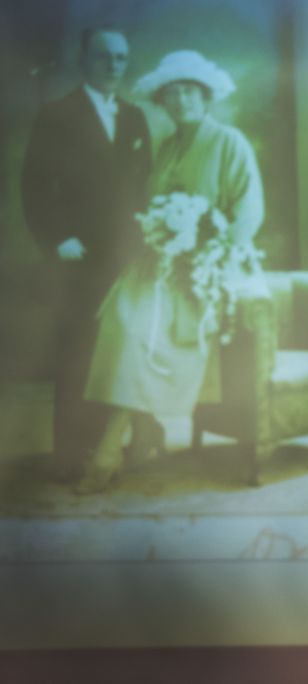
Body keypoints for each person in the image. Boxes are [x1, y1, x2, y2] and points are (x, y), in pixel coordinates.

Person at [76, 50, 264, 494]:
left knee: (141, 329)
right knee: (119, 319)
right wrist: (161, 236)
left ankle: (108, 450)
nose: (181, 101)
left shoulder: (228, 141)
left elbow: (249, 211)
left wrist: (212, 255)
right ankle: (143, 430)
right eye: (171, 94)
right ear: (163, 102)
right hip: (161, 261)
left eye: (189, 92)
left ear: (205, 96)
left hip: (206, 267)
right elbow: (154, 210)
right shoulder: (166, 147)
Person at [20, 27, 152, 483]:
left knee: (114, 356)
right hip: (77, 259)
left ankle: (103, 451)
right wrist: (58, 239)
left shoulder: (135, 118)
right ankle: (68, 457)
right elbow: (33, 188)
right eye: (104, 57)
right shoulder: (57, 115)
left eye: (121, 58)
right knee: (76, 356)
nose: (113, 65)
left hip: (124, 259)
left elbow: (144, 189)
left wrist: (145, 243)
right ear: (85, 61)